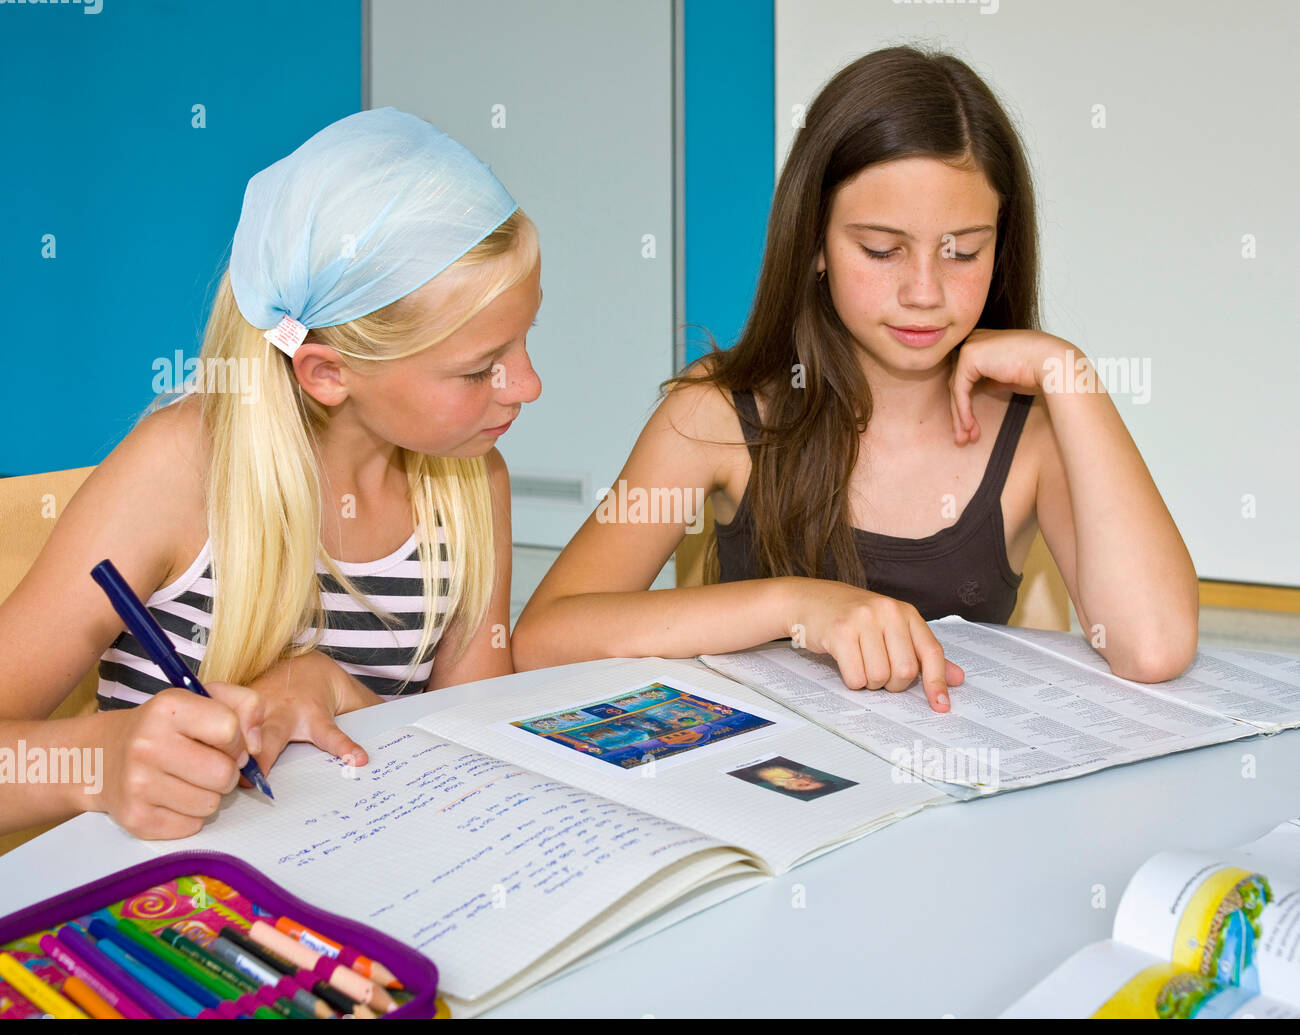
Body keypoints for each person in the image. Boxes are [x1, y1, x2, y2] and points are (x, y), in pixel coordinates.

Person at [513, 46, 1197, 712]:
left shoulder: (1035, 430)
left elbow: (1155, 646)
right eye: (881, 250)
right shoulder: (717, 414)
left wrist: (1067, 371)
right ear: (814, 245)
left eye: (963, 252)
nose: (924, 292)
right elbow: (544, 639)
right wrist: (794, 602)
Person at [0, 108, 542, 839]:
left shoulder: (473, 487)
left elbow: (471, 776)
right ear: (326, 373)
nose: (529, 385)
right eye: (481, 368)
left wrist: (340, 690)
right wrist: (103, 759)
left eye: (525, 341)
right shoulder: (178, 472)